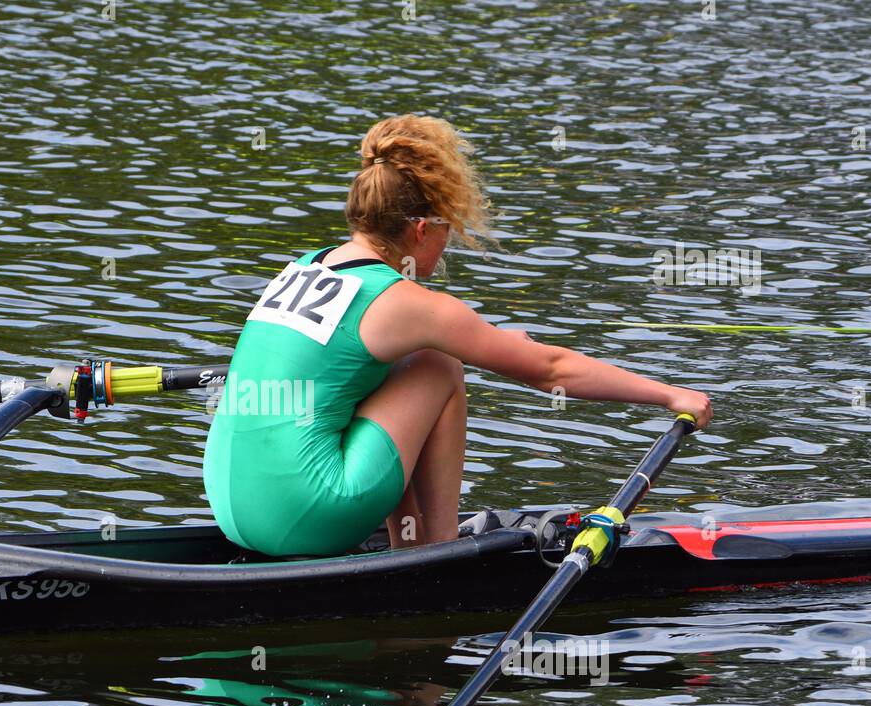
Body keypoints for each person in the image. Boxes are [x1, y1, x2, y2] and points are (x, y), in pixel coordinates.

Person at [203, 114, 712, 558]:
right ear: (421, 229)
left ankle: (410, 538)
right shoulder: (403, 302)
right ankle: (436, 550)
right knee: (437, 363)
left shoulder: (304, 267)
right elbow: (551, 371)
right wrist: (669, 394)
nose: (446, 249)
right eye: (446, 232)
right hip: (305, 513)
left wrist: (490, 337)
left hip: (233, 508)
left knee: (404, 360)